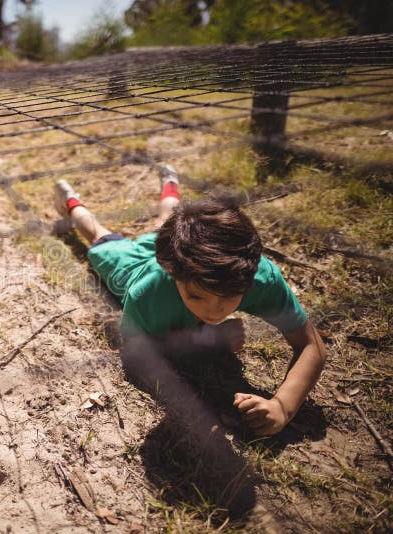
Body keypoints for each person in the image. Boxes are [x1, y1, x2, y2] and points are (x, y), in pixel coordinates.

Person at [52, 167, 326, 514]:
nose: (216, 307)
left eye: (230, 297)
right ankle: (72, 201)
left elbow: (311, 344)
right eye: (197, 296)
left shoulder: (257, 276)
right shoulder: (146, 291)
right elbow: (134, 352)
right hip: (133, 260)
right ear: (172, 273)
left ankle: (170, 184)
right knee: (99, 238)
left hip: (180, 248)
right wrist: (207, 338)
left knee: (168, 222)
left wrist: (283, 406)